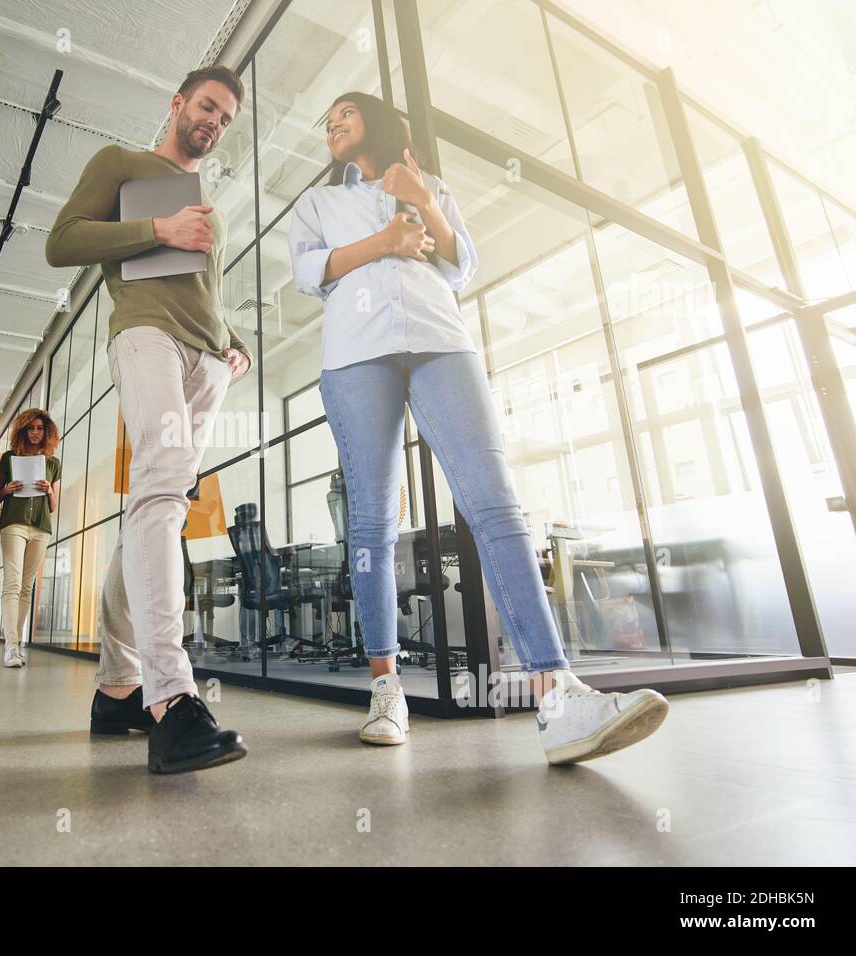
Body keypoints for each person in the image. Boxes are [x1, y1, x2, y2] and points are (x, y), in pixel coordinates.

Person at [290, 92, 669, 763]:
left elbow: (461, 268)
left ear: (374, 121)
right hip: (356, 355)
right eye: (327, 122)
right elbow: (308, 272)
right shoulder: (321, 204)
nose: (333, 125)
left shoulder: (428, 184)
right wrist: (385, 240)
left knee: (495, 504)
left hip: (442, 342)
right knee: (372, 521)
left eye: (344, 114)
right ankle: (387, 691)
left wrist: (423, 202)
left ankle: (557, 698)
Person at [47, 65, 252, 774]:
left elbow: (205, 291)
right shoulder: (122, 164)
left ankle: (116, 689)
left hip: (207, 359)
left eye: (225, 118)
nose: (213, 122)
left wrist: (233, 341)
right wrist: (158, 227)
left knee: (153, 508)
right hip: (146, 336)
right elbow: (62, 242)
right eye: (206, 107)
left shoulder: (208, 206)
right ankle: (172, 701)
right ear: (177, 101)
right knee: (162, 497)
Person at [0, 409, 61, 668]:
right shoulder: (9, 458)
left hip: (40, 527)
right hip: (13, 524)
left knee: (26, 586)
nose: (35, 433)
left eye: (40, 428)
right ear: (23, 430)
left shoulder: (53, 463)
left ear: (47, 432)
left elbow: (53, 506)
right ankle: (10, 646)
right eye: (31, 428)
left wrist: (48, 491)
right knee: (12, 583)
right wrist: (6, 489)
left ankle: (17, 643)